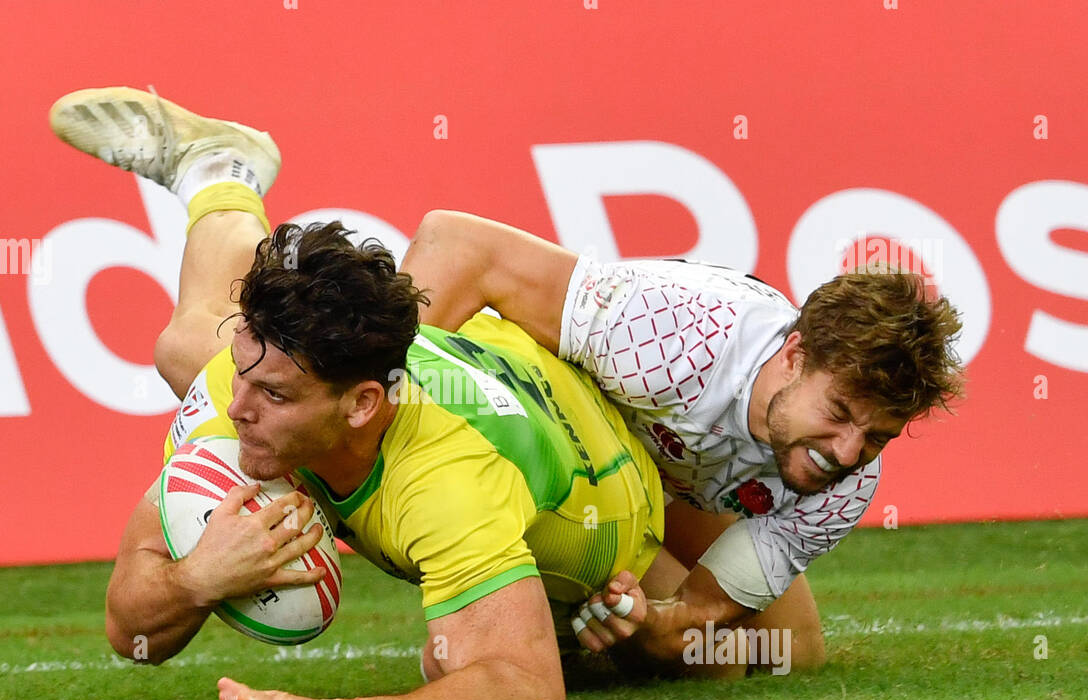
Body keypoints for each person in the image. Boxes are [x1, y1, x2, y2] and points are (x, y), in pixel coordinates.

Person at [51, 87, 693, 700]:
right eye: (246, 377)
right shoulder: (238, 390)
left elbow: (528, 689)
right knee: (189, 348)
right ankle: (220, 171)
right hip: (486, 373)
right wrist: (194, 579)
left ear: (361, 405)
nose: (238, 410)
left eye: (272, 394)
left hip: (637, 479)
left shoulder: (451, 483)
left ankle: (220, 172)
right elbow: (130, 630)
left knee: (755, 654)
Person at [397, 211, 965, 667]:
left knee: (788, 650)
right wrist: (396, 420)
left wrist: (648, 623)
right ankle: (507, 638)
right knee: (712, 665)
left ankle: (563, 630)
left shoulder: (849, 480)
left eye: (876, 437)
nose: (845, 453)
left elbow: (697, 612)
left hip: (662, 477)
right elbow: (456, 244)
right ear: (794, 357)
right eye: (838, 412)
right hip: (557, 440)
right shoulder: (671, 332)